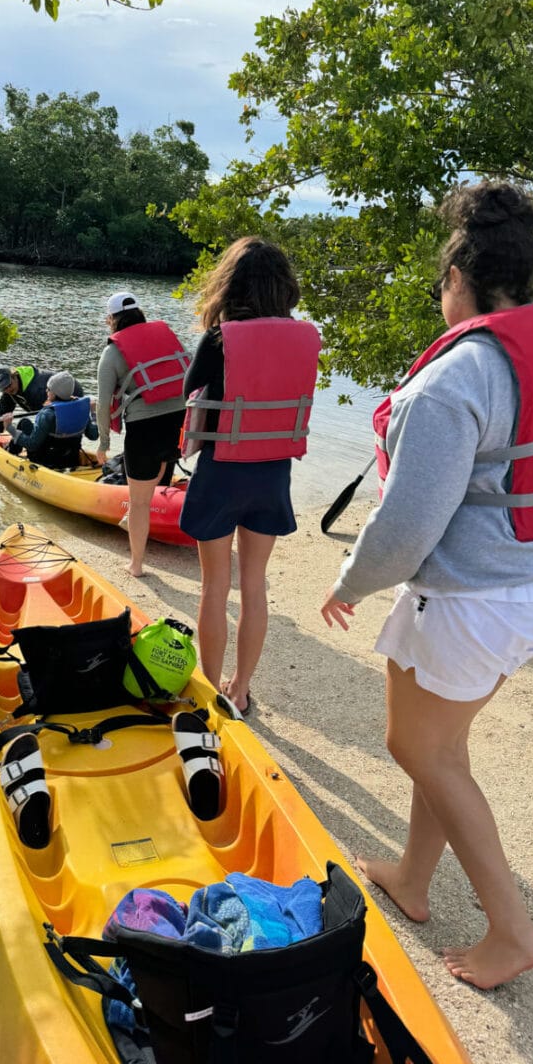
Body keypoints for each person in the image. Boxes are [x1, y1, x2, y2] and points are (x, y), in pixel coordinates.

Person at [320, 181, 533, 990]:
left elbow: (405, 530)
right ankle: (412, 876)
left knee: (418, 746)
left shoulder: (453, 381)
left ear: (457, 278)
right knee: (445, 742)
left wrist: (349, 583)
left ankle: (511, 932)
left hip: (475, 598)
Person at [180, 237, 321, 715]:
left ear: (229, 285)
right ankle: (241, 688)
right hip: (272, 475)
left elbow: (188, 389)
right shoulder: (304, 339)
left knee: (215, 587)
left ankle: (210, 688)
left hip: (221, 473)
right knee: (255, 584)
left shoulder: (219, 339)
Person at [96, 292, 189, 576]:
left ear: (112, 320)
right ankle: (155, 509)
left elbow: (102, 403)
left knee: (138, 503)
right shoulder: (165, 335)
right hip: (180, 422)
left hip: (144, 428)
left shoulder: (112, 352)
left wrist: (103, 442)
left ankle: (136, 565)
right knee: (162, 466)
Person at [0, 371, 97, 469]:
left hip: (45, 461)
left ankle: (11, 454)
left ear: (55, 393)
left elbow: (32, 444)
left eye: (49, 389)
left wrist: (9, 427)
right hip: (71, 459)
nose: (46, 391)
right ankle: (12, 450)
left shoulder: (47, 414)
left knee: (24, 423)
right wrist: (93, 413)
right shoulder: (81, 408)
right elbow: (94, 435)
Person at [0, 364, 83, 437]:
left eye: (9, 385)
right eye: (4, 388)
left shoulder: (37, 391)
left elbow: (44, 422)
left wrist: (13, 433)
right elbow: (4, 408)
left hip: (73, 392)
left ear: (14, 376)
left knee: (31, 425)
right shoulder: (10, 391)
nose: (8, 390)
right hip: (51, 400)